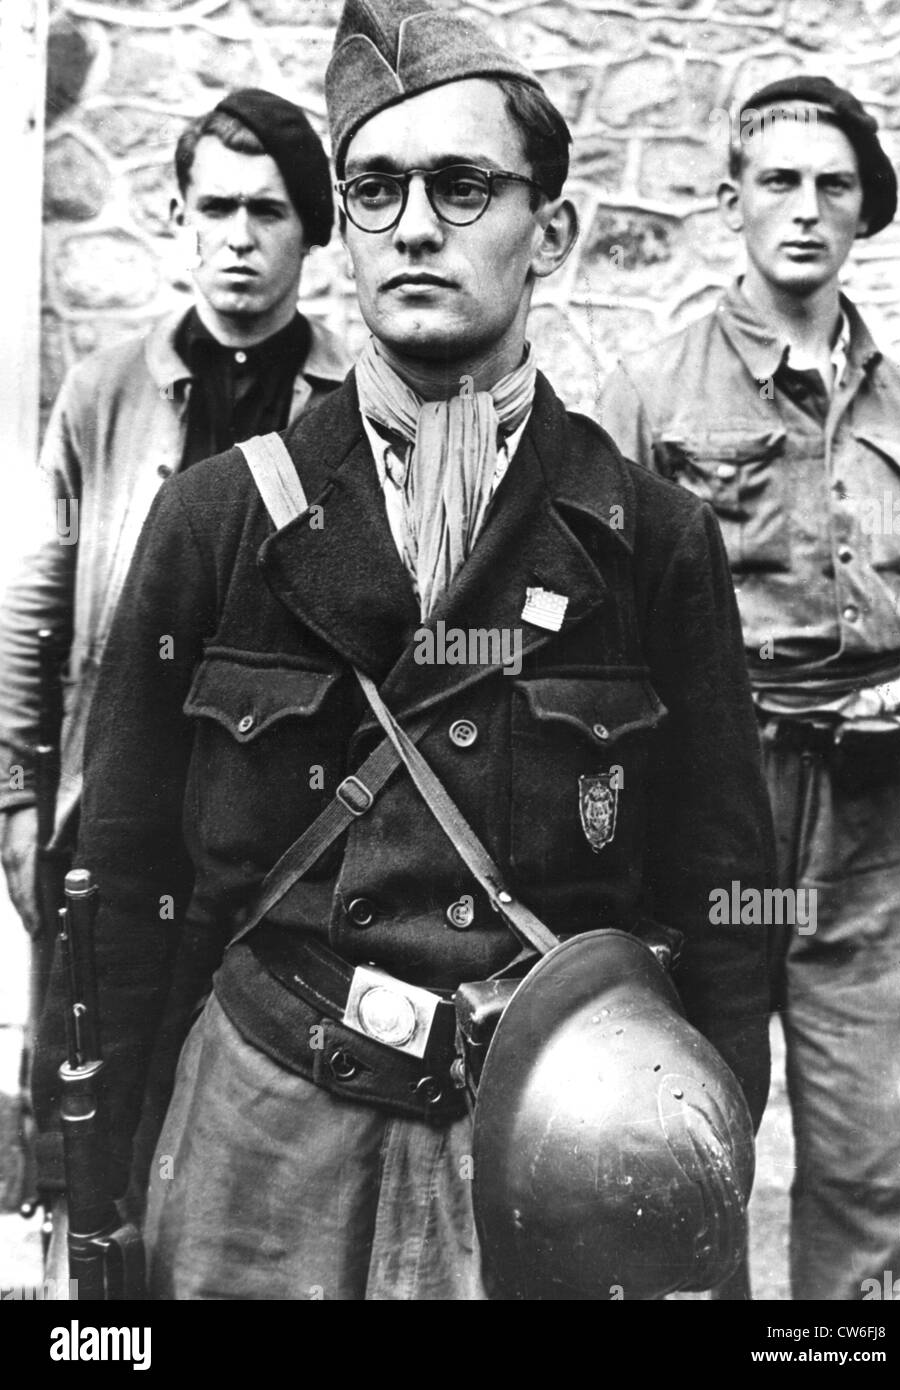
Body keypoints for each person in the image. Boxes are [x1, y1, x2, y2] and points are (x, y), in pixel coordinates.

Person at [35, 0, 773, 1300]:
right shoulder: (215, 519)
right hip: (260, 1139)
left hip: (548, 1159)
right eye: (374, 189)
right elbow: (124, 874)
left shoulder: (649, 539)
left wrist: (692, 1162)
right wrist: (97, 1180)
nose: (415, 224)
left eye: (462, 183)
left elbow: (726, 897)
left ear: (554, 230)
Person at [599, 75, 900, 1301]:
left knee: (884, 1149)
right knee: (688, 1137)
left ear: (866, 211)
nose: (806, 209)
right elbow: (599, 638)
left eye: (834, 186)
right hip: (720, 815)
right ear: (731, 203)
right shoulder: (650, 395)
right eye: (779, 183)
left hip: (876, 826)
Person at [0, 86, 347, 937]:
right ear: (177, 214)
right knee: (95, 1049)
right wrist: (14, 791)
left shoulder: (353, 407)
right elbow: (38, 601)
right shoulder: (101, 396)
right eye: (217, 206)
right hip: (118, 796)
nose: (238, 237)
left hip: (288, 824)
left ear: (309, 231)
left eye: (267, 211)